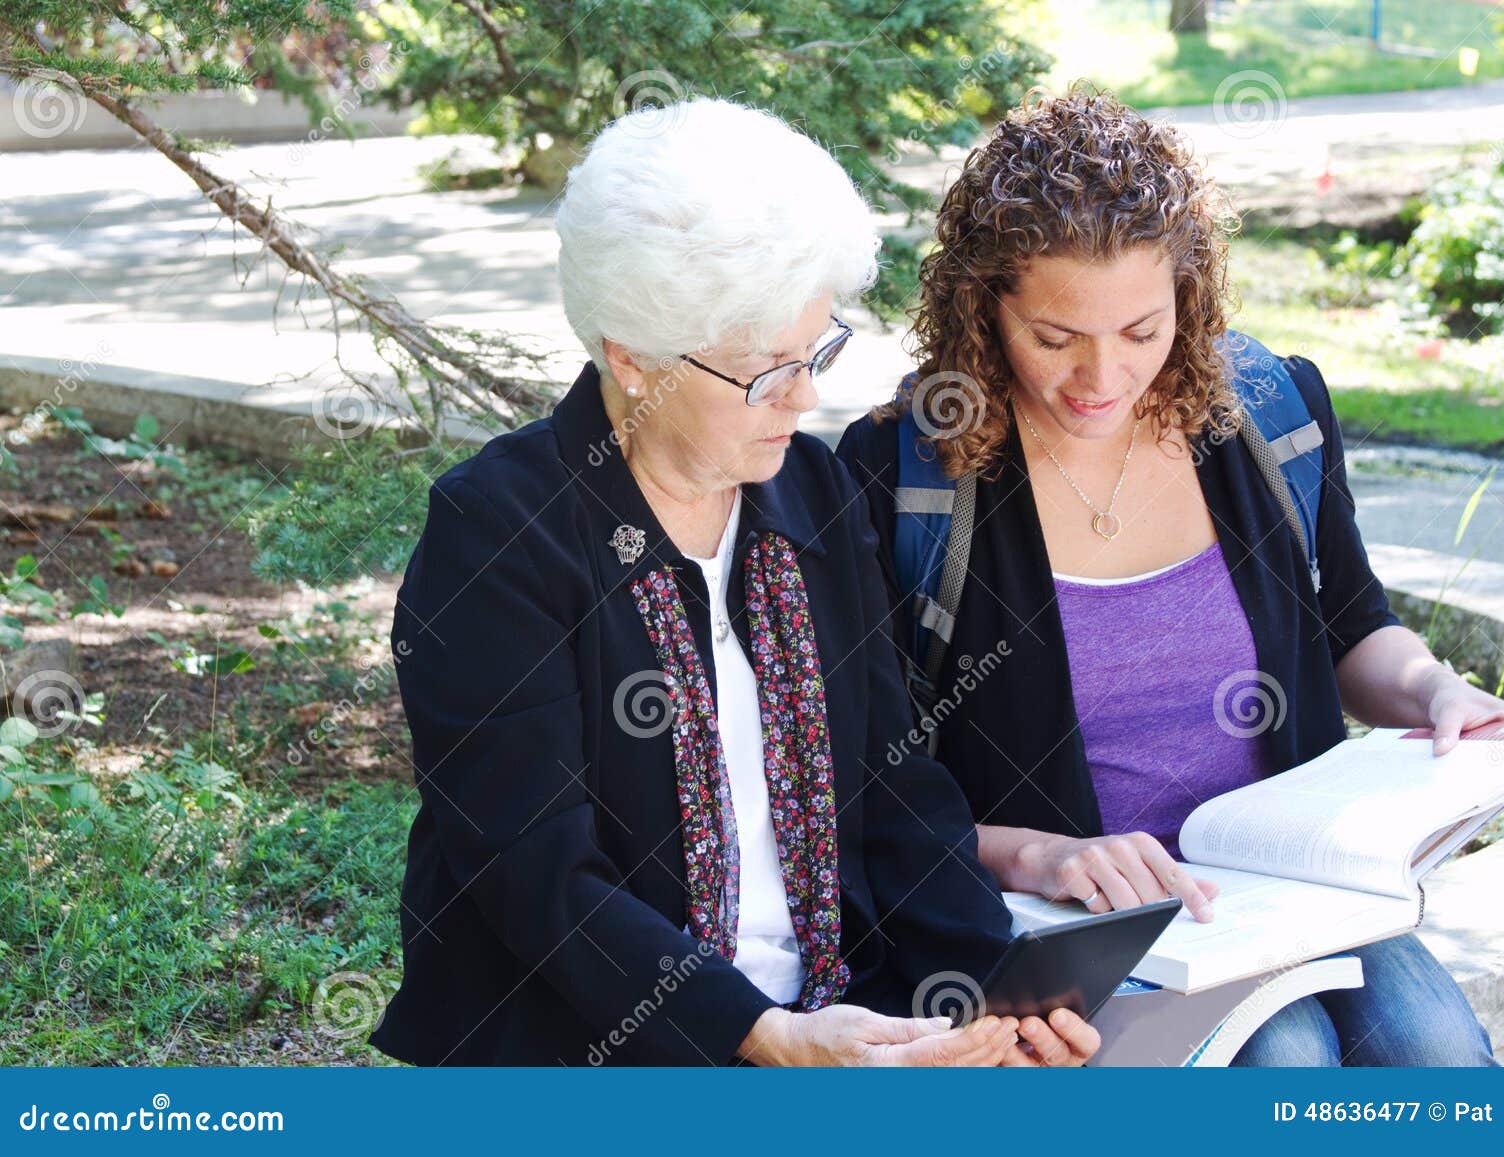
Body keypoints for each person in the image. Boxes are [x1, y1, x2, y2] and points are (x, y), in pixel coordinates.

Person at [368, 97, 1099, 1067]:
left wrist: (990, 994)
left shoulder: (811, 490)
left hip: (844, 1009)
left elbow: (892, 786)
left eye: (818, 350)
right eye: (766, 373)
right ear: (633, 360)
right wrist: (763, 1036)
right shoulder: (502, 531)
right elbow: (532, 871)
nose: (806, 397)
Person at [836, 86, 1504, 1067]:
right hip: (1068, 915)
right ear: (983, 309)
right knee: (1282, 1058)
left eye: (1141, 332)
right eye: (1055, 338)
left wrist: (1432, 689)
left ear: (1186, 296)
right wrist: (1042, 852)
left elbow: (1353, 625)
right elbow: (866, 780)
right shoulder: (902, 477)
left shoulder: (1265, 409)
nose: (1101, 378)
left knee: (1438, 1048)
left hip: (1283, 891)